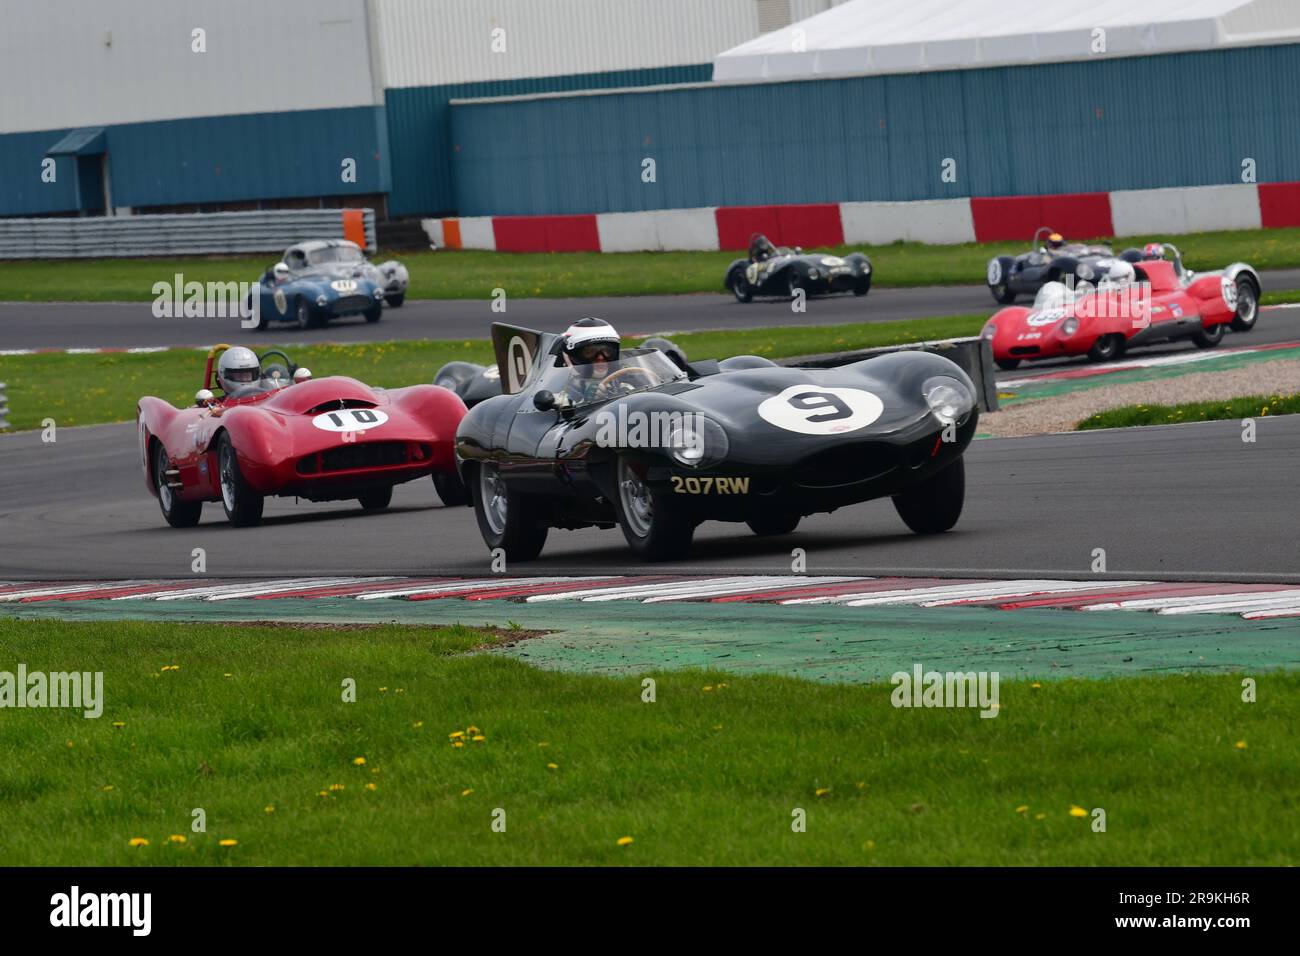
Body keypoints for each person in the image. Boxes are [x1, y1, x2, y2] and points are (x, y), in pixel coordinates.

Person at [554, 317, 621, 405]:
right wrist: (582, 402)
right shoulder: (562, 386)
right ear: (573, 355)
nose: (600, 358)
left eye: (607, 351)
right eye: (590, 352)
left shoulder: (626, 376)